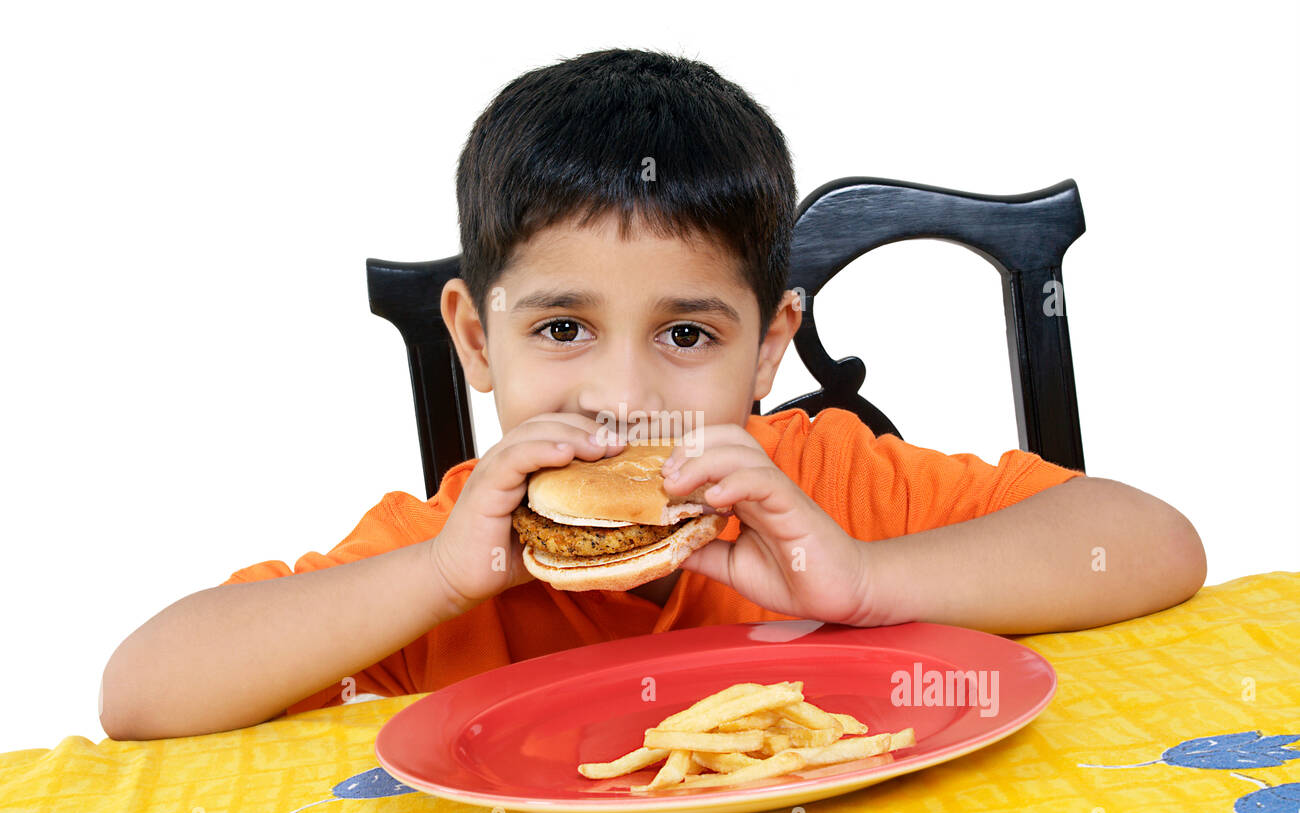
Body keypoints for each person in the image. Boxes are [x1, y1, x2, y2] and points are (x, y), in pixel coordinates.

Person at [99, 49, 1206, 741]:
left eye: (686, 333)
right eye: (562, 328)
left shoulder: (818, 484)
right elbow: (141, 692)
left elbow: (1151, 543)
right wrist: (437, 577)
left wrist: (867, 577)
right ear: (475, 341)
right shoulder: (448, 543)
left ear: (770, 349)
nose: (623, 397)